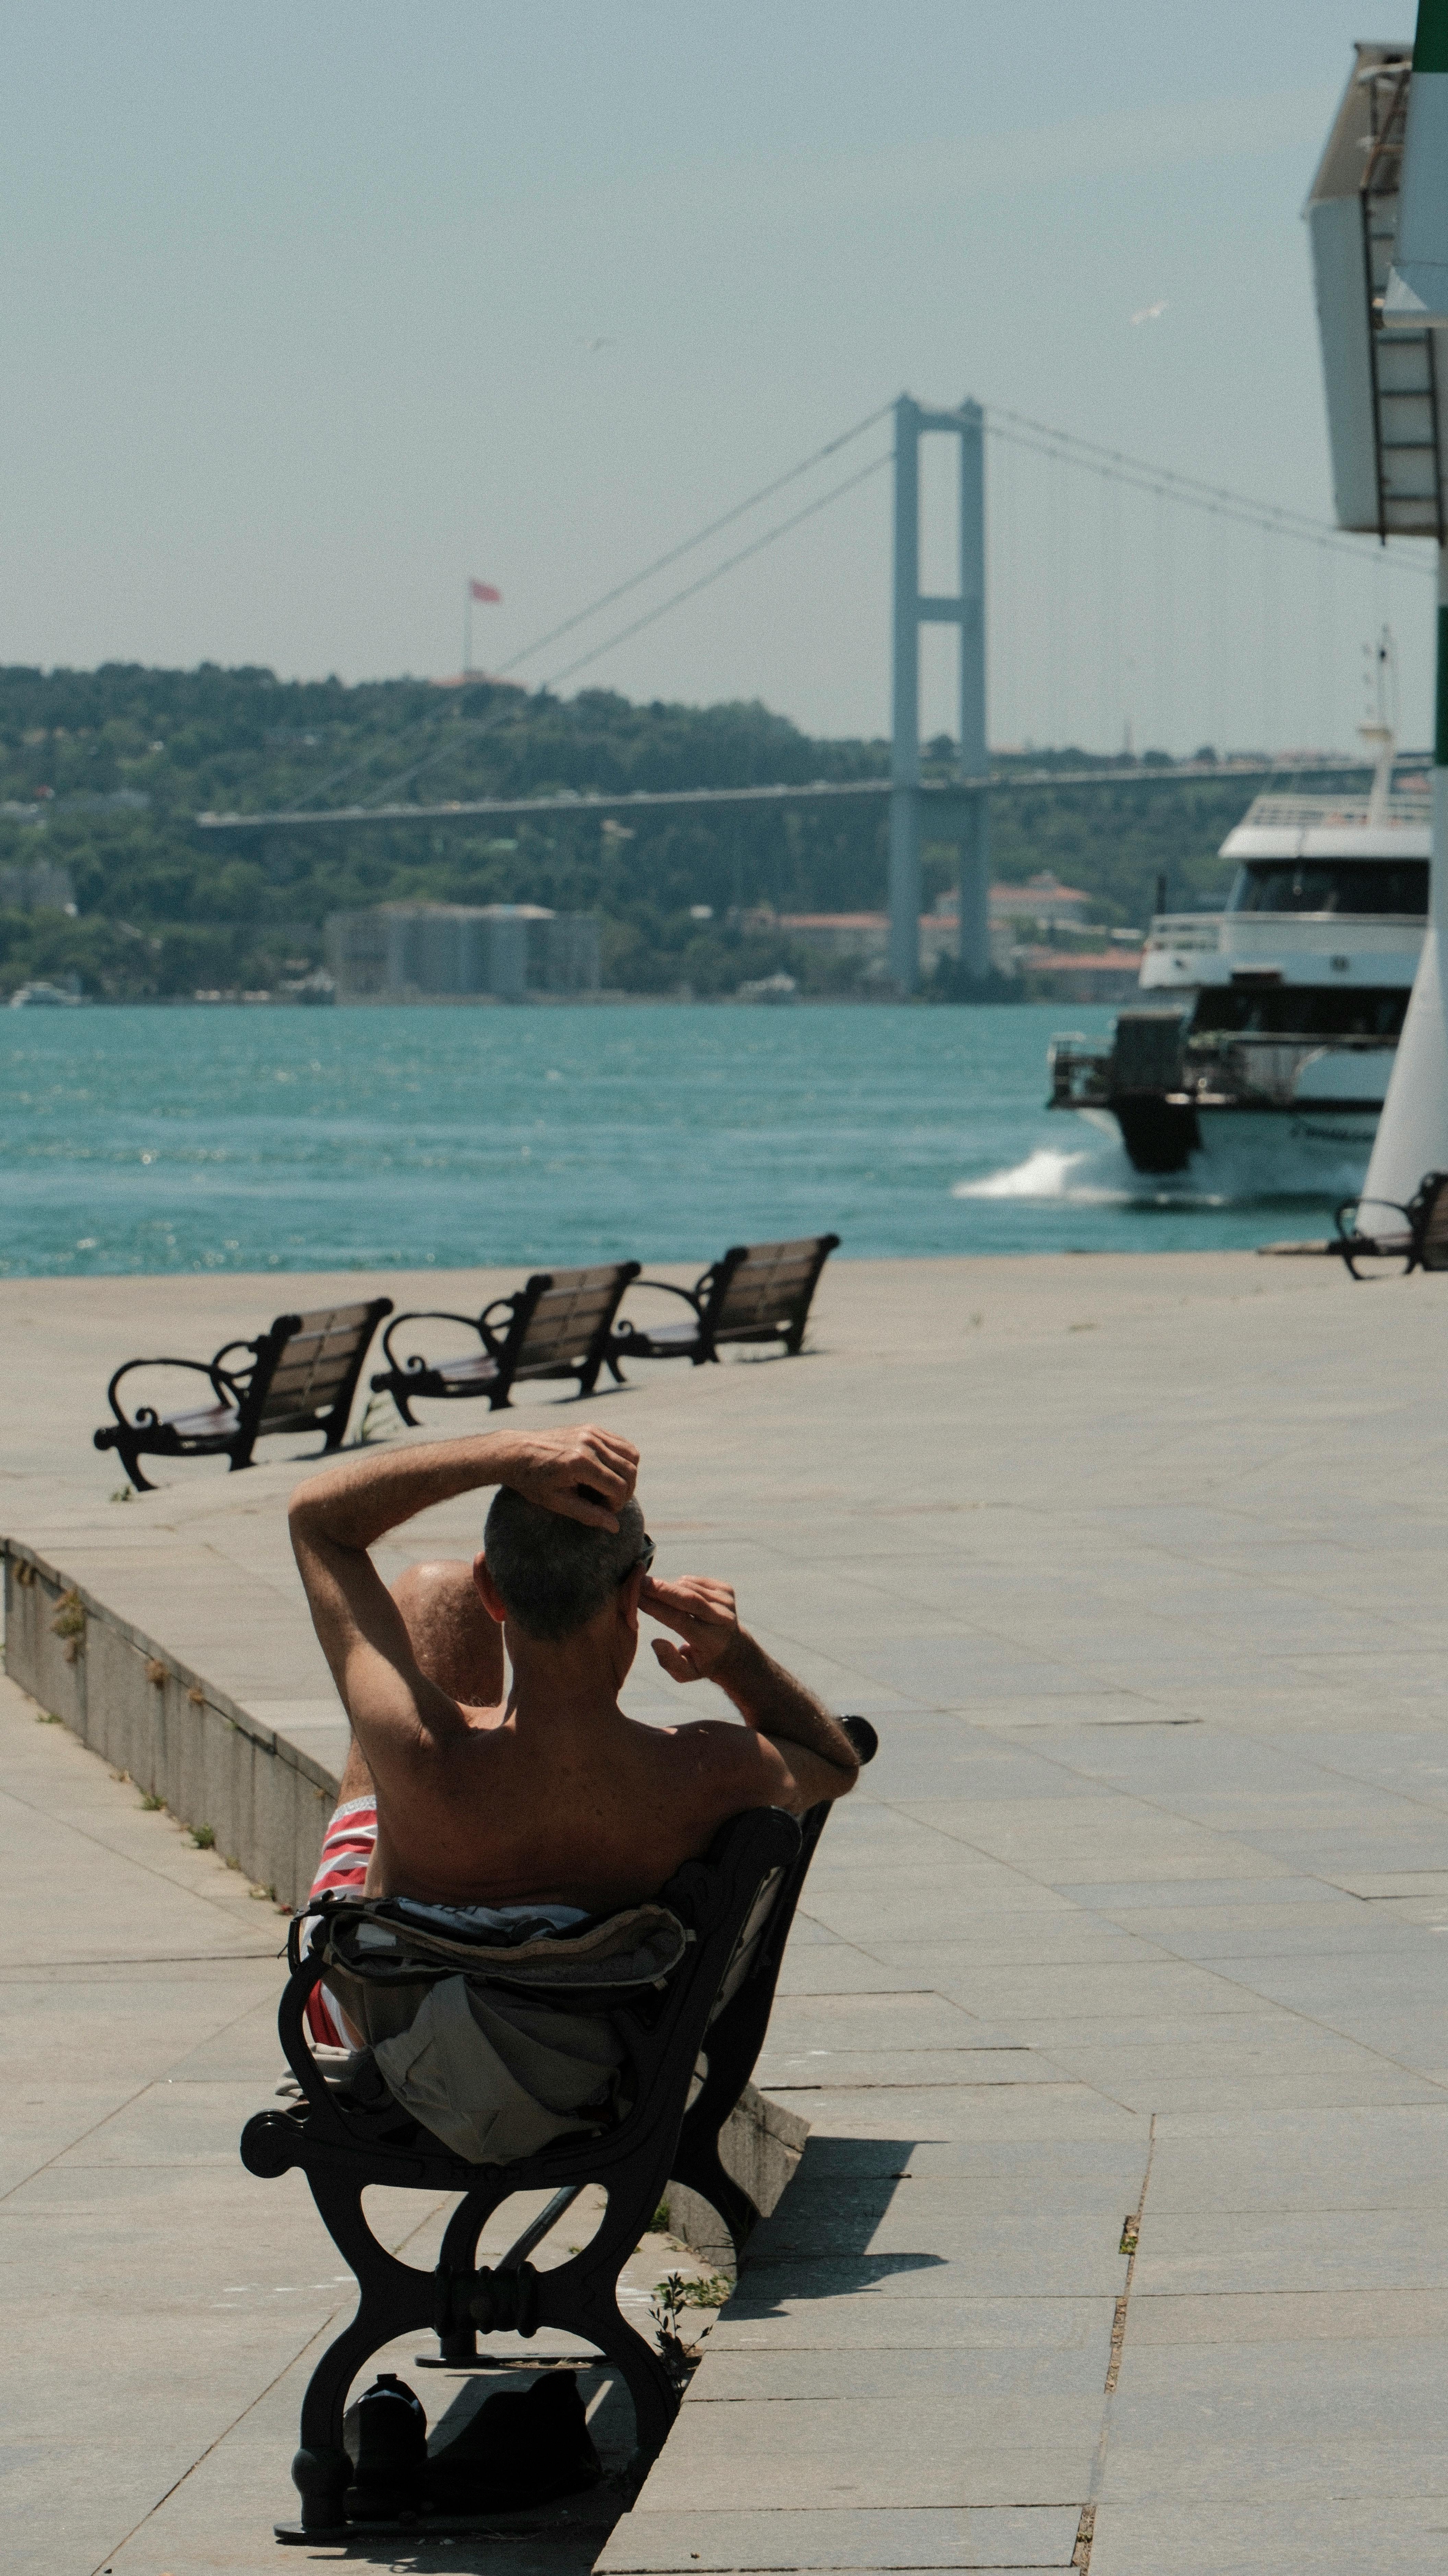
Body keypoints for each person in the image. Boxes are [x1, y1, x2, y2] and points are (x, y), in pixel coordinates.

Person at [288, 1422, 861, 2042]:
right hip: (575, 2035)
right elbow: (835, 1762)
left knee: (430, 1592)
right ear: (630, 1600)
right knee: (435, 1594)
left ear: (492, 1588)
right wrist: (734, 1656)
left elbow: (316, 1520)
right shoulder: (703, 1771)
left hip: (391, 2025)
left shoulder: (418, 1748)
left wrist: (505, 1454)